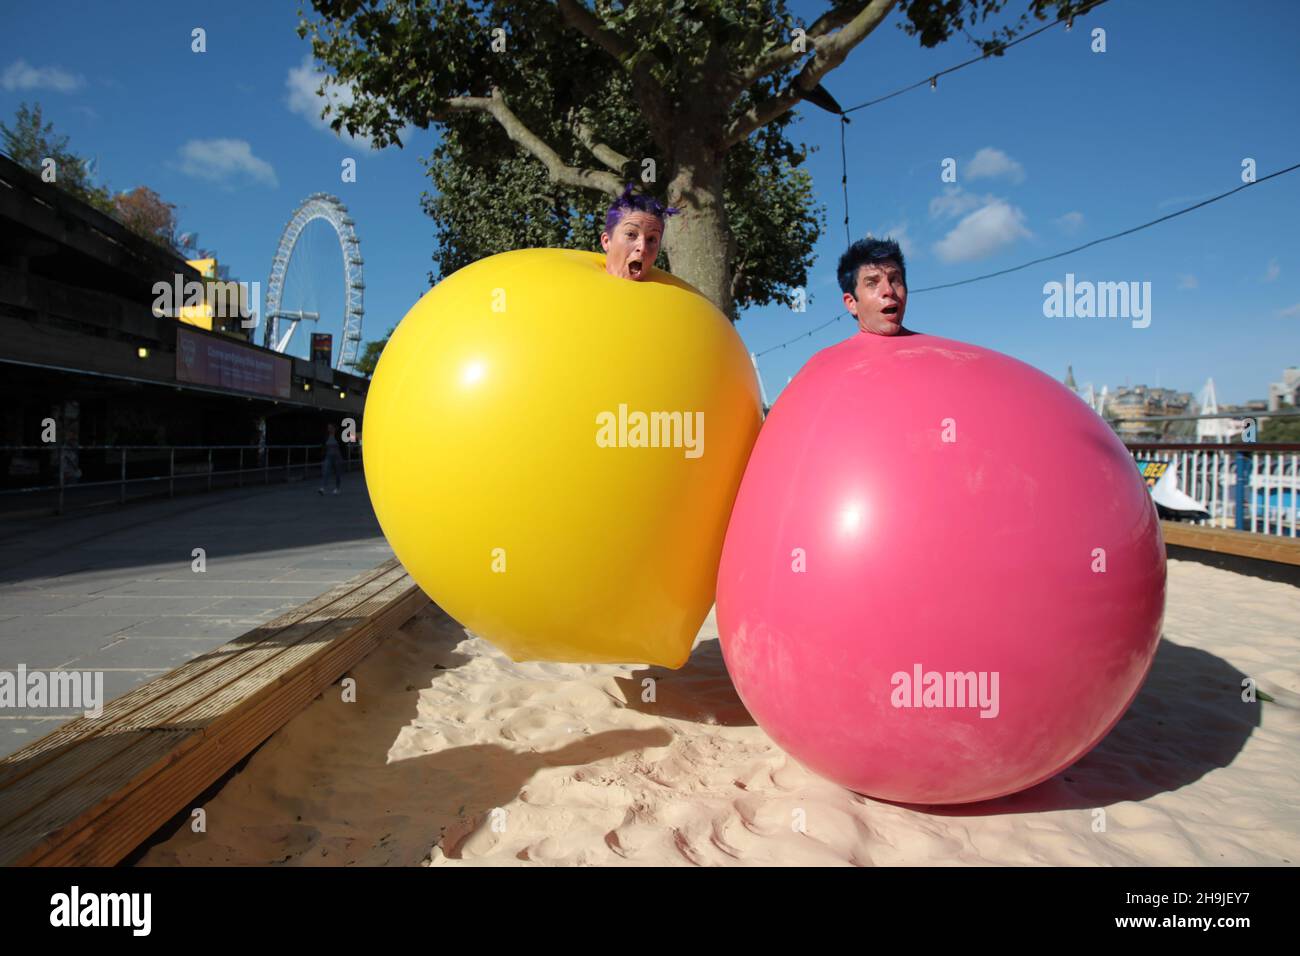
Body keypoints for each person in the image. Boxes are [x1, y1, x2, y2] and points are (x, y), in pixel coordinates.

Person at [601, 183, 679, 281]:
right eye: (631, 234)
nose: (642, 248)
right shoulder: (578, 289)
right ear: (606, 241)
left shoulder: (670, 295)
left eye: (651, 239)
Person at [837, 237, 912, 337]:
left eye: (894, 280)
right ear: (851, 303)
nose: (889, 290)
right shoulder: (834, 353)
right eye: (872, 283)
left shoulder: (938, 350)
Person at [318, 422, 343, 495]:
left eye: (330, 427)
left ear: (334, 428)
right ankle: (322, 488)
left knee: (337, 473)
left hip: (337, 456)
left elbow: (343, 446)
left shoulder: (338, 436)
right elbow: (323, 445)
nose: (329, 429)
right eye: (328, 428)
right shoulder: (326, 436)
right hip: (328, 456)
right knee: (325, 471)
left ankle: (337, 488)